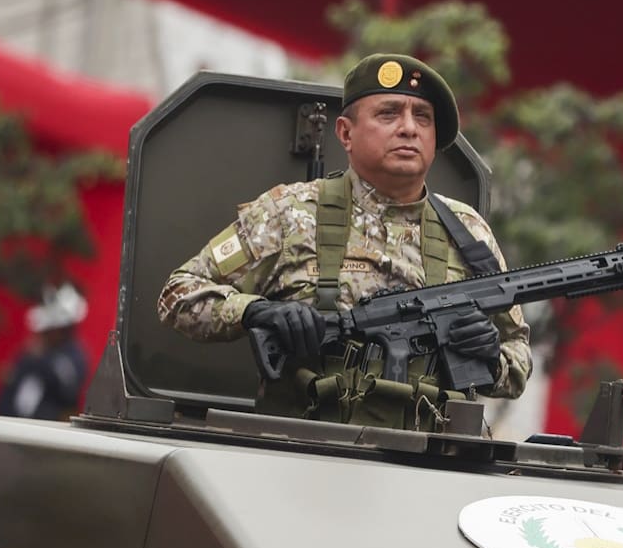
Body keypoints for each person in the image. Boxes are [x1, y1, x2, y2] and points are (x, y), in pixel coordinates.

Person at [157, 53, 530, 429]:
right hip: (308, 454)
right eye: (388, 113)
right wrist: (255, 312)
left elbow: (517, 359)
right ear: (345, 133)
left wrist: (490, 359)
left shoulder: (467, 231)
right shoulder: (289, 215)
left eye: (423, 117)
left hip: (430, 466)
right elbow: (177, 296)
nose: (408, 128)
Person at [0, 283, 91, 420]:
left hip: (49, 429)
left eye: (49, 331)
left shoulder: (73, 356)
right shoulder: (29, 357)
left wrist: (40, 360)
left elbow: (66, 385)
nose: (44, 335)